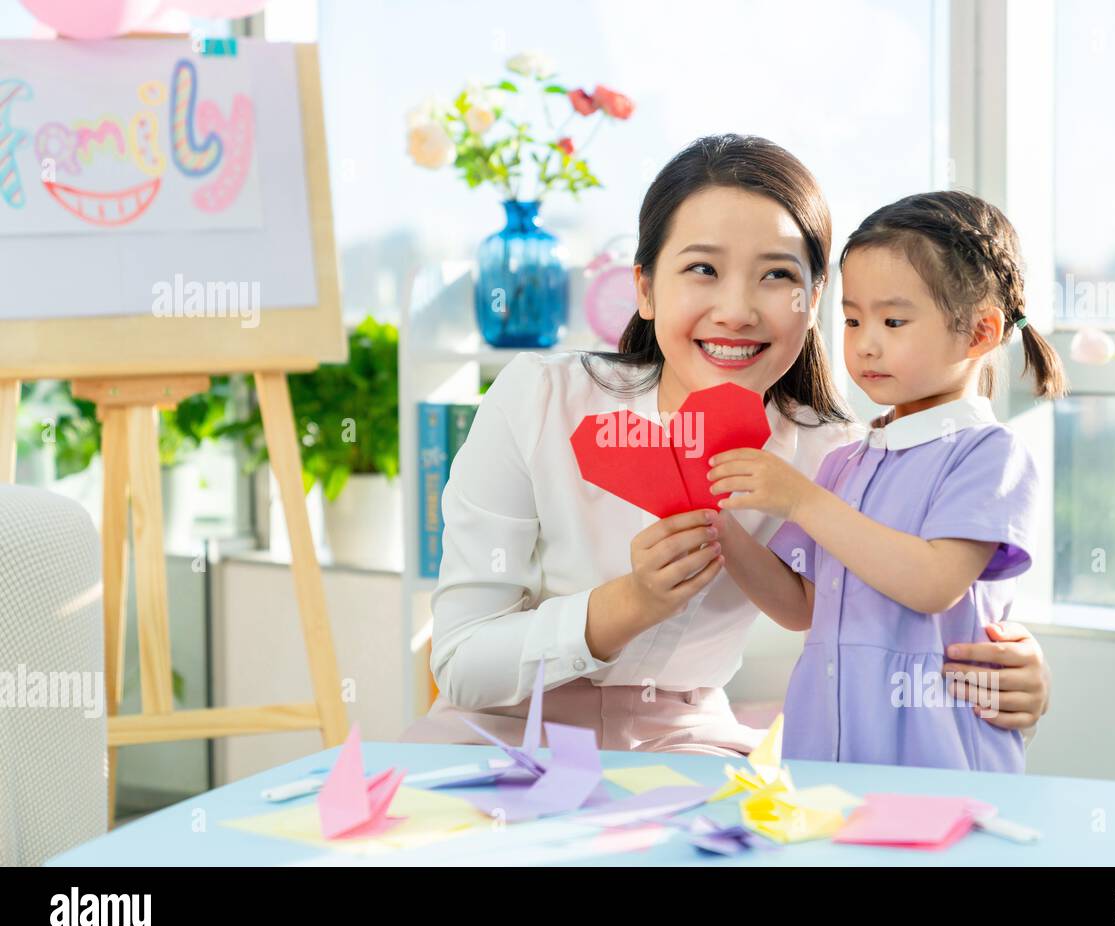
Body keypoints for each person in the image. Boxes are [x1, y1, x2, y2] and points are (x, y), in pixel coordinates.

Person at [401, 136, 1052, 757]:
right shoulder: (538, 398)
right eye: (703, 269)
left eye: (775, 276)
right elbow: (458, 663)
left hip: (687, 741)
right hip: (500, 733)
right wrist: (628, 604)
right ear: (647, 288)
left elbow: (888, 597)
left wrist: (1017, 662)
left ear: (815, 298)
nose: (737, 310)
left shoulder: (836, 453)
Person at [707, 190, 1065, 770]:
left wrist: (801, 500)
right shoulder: (848, 461)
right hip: (830, 753)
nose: (865, 342)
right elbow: (803, 606)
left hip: (939, 755)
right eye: (852, 319)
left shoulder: (987, 454)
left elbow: (932, 582)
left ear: (978, 334)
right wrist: (720, 531)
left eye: (893, 320)